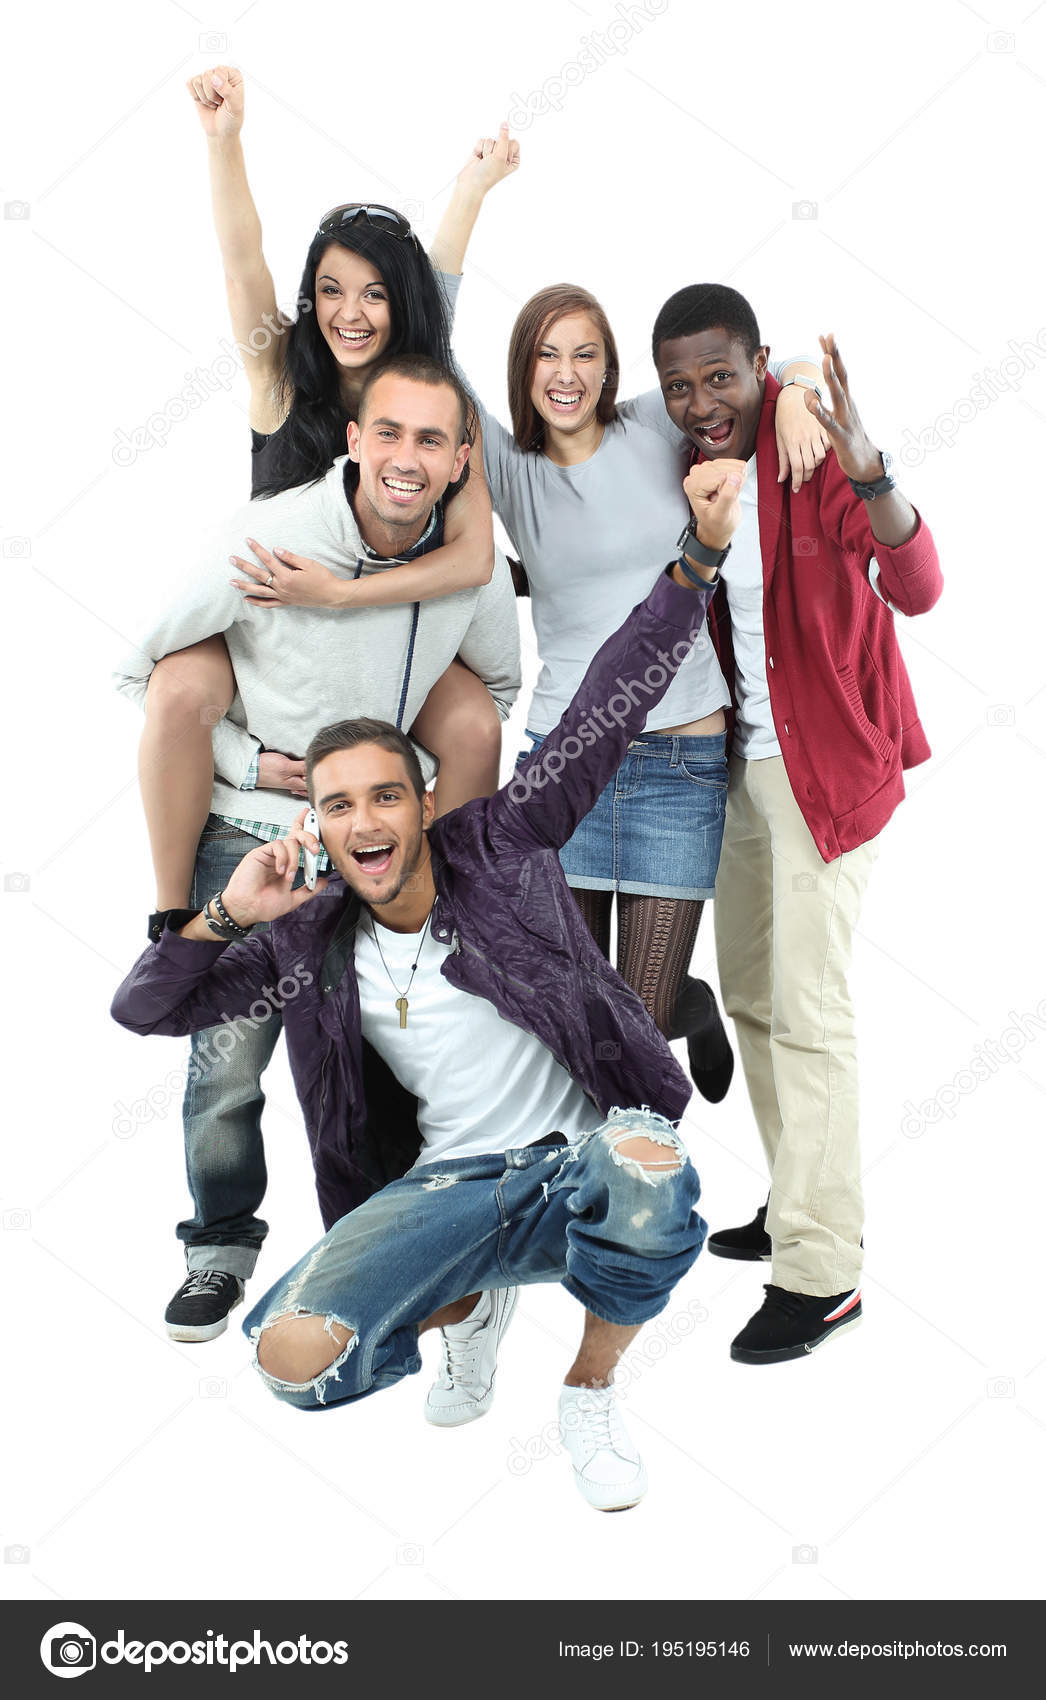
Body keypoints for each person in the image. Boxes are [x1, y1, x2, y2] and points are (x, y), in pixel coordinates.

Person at [111, 458, 744, 1511]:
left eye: (387, 796)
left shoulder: (500, 840)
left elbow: (603, 706)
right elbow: (146, 1009)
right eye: (340, 803)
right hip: (450, 1188)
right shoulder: (302, 942)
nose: (367, 822)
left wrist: (699, 560)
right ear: (315, 822)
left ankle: (588, 1387)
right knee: (291, 1361)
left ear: (423, 799)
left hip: (579, 1153)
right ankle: (469, 1304)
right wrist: (228, 912)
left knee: (642, 1165)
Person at [114, 355, 521, 1342]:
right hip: (258, 844)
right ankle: (217, 1241)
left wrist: (387, 788)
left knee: (387, 1048)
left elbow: (495, 695)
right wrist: (258, 765)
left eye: (431, 440)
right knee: (225, 1059)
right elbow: (145, 678)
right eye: (389, 432)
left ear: (462, 457)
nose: (406, 458)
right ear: (353, 438)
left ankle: (408, 1247)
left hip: (371, 844)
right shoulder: (272, 540)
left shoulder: (463, 571)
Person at [426, 156, 832, 1099]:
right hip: (565, 761)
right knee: (569, 1017)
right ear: (523, 370)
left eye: (586, 354)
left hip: (680, 766)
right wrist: (470, 197)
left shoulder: (658, 424)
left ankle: (669, 1043)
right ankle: (681, 1020)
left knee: (634, 1043)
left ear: (612, 369)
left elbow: (752, 377)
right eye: (546, 356)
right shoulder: (510, 466)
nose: (566, 375)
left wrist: (805, 382)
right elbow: (426, 342)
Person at [139, 74, 522, 914]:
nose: (351, 314)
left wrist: (346, 595)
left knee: (471, 726)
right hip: (270, 616)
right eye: (330, 292)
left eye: (375, 295)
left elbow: (473, 556)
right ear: (308, 301)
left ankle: (447, 915)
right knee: (175, 690)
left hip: (377, 620)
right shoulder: (282, 379)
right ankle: (172, 913)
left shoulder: (426, 402)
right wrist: (224, 140)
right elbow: (244, 263)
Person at [651, 287, 943, 1363]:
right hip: (737, 770)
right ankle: (792, 1196)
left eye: (720, 377)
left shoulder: (813, 449)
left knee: (811, 1011)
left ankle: (820, 1271)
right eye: (679, 384)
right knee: (755, 994)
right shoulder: (691, 454)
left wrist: (866, 466)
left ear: (757, 361)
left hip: (826, 769)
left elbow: (917, 587)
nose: (699, 401)